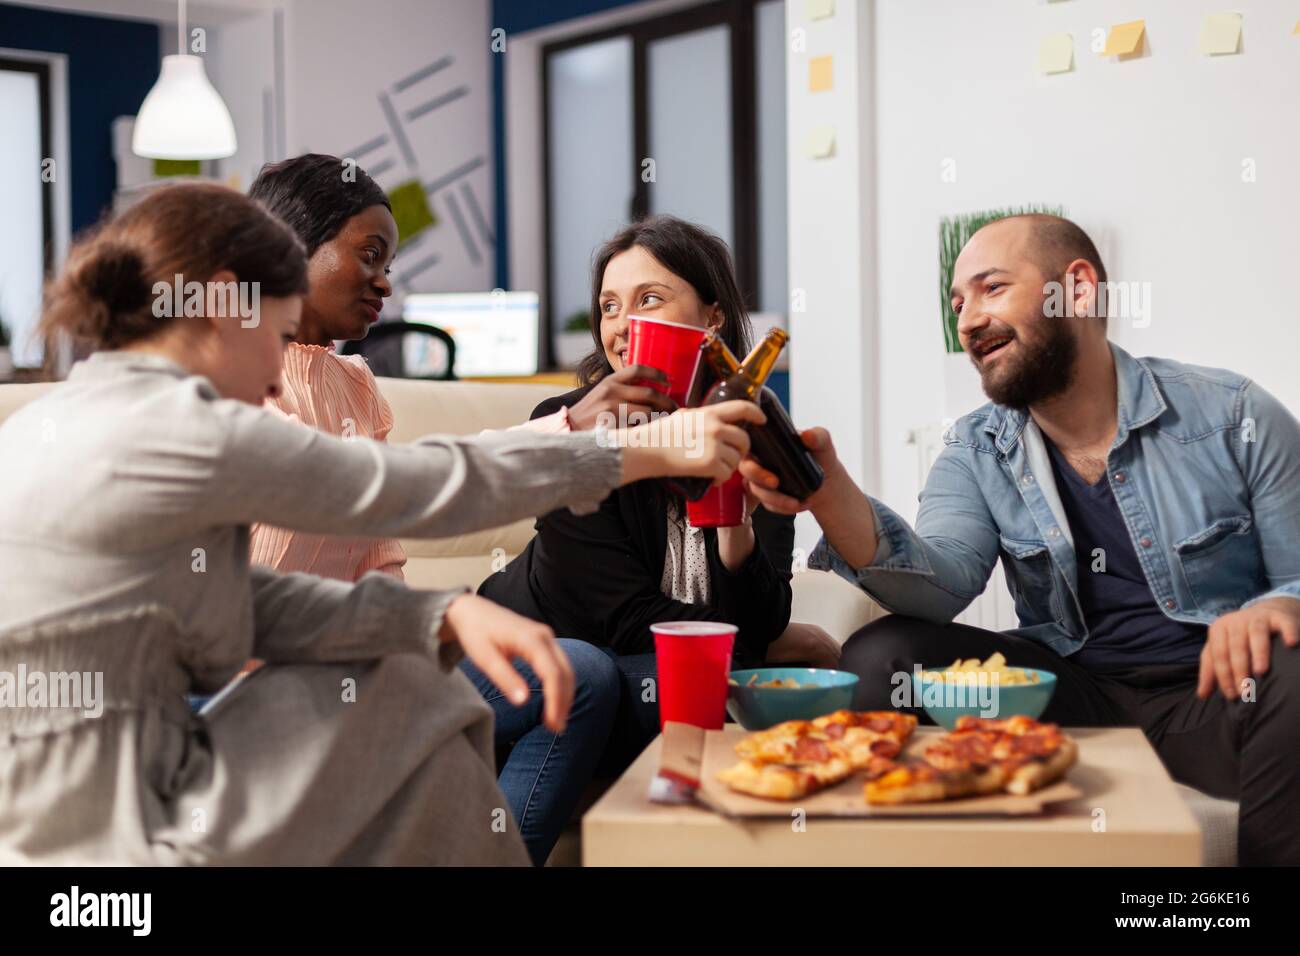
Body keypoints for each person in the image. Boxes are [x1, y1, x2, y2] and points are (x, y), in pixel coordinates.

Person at [0, 182, 762, 865]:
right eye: (275, 332)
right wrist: (636, 451)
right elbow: (415, 486)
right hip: (124, 832)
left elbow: (245, 597)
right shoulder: (180, 429)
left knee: (411, 688)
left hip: (75, 803)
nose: (276, 375)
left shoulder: (67, 416)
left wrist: (440, 612)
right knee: (410, 691)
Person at [741, 213, 1300, 866]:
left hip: (1219, 705)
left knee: (1291, 660)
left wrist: (1277, 606)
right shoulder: (976, 447)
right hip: (1062, 701)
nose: (968, 319)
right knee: (881, 653)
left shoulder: (1232, 416)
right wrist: (827, 490)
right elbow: (940, 585)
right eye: (958, 303)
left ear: (1078, 289)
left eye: (992, 289)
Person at [479, 216, 812, 792]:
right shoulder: (570, 428)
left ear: (712, 318)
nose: (622, 327)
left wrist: (737, 530)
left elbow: (766, 611)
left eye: (648, 299)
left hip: (637, 667)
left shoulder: (755, 429)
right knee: (693, 682)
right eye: (609, 307)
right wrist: (757, 646)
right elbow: (624, 617)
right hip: (550, 662)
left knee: (743, 679)